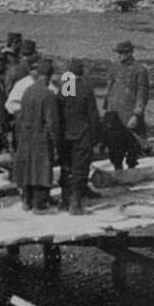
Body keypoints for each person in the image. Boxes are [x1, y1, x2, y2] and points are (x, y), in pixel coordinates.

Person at [13, 58, 60, 212]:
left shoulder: (27, 91)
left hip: (26, 136)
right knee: (41, 170)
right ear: (48, 76)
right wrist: (57, 142)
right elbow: (51, 122)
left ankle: (26, 201)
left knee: (27, 168)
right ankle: (39, 204)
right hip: (41, 137)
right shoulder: (49, 95)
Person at [57, 59, 101, 215]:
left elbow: (62, 109)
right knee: (80, 168)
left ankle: (64, 200)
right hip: (82, 133)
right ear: (81, 72)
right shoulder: (85, 88)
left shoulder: (65, 87)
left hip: (66, 134)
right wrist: (96, 136)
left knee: (66, 166)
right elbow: (93, 114)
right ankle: (75, 202)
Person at [103, 40, 150, 171]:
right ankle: (117, 168)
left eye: (123, 53)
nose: (120, 55)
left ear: (130, 53)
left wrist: (137, 114)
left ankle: (132, 169)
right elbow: (109, 87)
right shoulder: (114, 67)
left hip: (129, 114)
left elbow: (142, 94)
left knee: (133, 146)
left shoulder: (140, 70)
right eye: (119, 53)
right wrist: (106, 109)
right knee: (114, 145)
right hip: (114, 114)